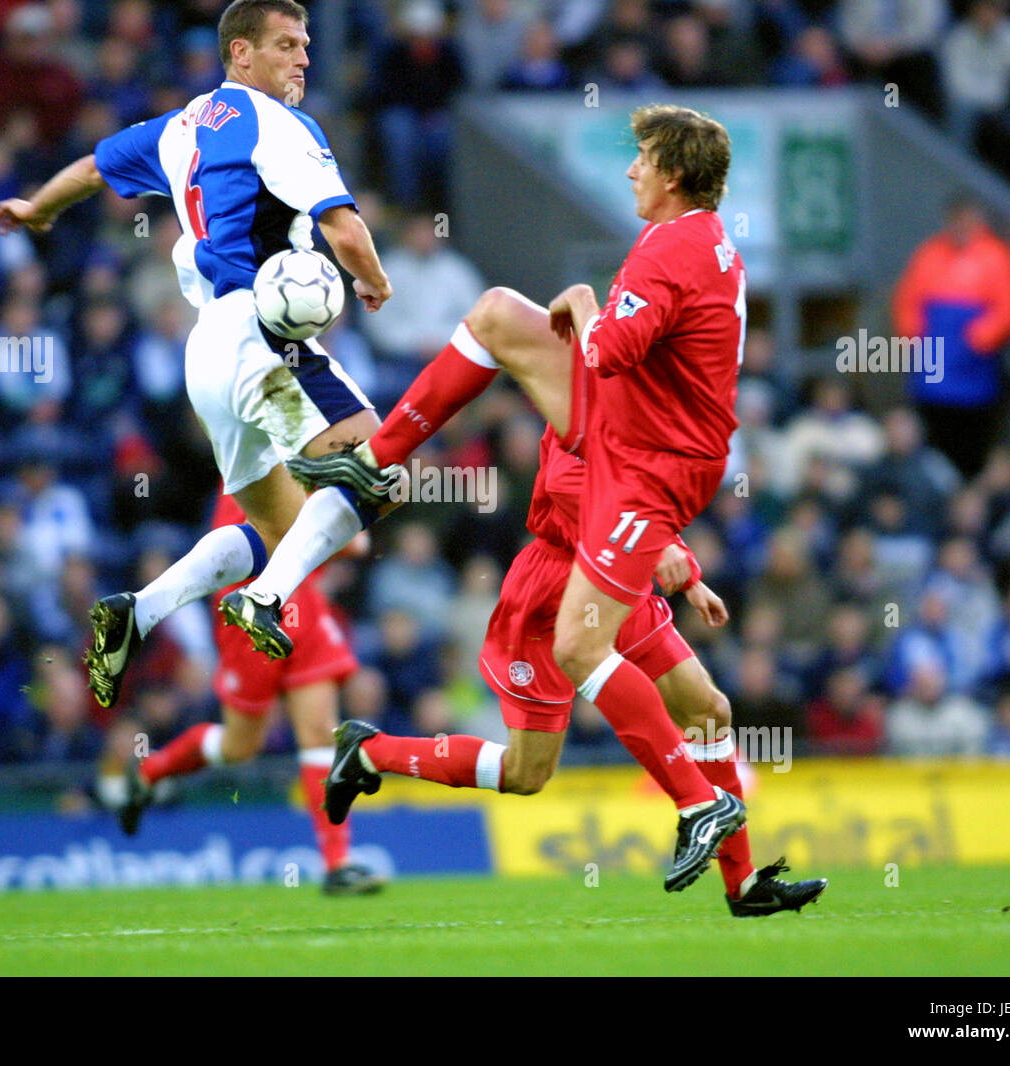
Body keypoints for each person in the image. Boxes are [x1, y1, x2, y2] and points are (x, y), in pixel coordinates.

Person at [275, 103, 750, 891]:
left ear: (672, 174)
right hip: (577, 553)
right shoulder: (689, 252)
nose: (630, 170)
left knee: (692, 701)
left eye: (641, 159)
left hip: (630, 506)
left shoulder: (664, 264)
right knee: (543, 760)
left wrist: (585, 303)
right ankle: (376, 745)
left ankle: (728, 858)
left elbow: (608, 354)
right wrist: (671, 547)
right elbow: (590, 473)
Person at [0, 0, 393, 710]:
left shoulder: (182, 126)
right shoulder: (281, 123)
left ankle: (138, 610)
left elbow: (91, 168)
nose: (303, 58)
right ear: (241, 53)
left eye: (305, 44)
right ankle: (263, 600)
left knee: (287, 529)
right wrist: (372, 281)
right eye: (286, 44)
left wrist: (38, 209)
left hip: (204, 352)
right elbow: (344, 227)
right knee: (376, 469)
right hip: (263, 334)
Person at [323, 421, 827, 916]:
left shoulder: (644, 394)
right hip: (556, 588)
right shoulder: (580, 386)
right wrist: (659, 546)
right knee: (526, 773)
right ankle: (372, 751)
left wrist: (687, 572)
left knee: (709, 709)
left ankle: (742, 884)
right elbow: (567, 483)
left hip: (619, 571)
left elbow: (646, 491)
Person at [112, 488, 383, 896]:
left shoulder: (302, 442)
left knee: (319, 732)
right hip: (246, 602)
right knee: (240, 745)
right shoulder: (250, 452)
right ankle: (151, 770)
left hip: (300, 600)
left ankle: (337, 863)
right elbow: (314, 532)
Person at [891, 195, 1010, 478]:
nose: (962, 227)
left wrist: (978, 339)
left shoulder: (996, 255)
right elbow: (907, 299)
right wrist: (915, 335)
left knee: (972, 437)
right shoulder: (929, 253)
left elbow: (1009, 309)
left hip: (974, 366)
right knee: (931, 434)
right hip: (934, 360)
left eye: (969, 220)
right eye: (956, 220)